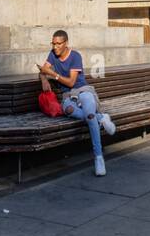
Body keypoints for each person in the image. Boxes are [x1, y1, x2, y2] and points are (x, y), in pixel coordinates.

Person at [38, 30, 116, 176]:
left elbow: (71, 82)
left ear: (65, 43)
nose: (55, 47)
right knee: (68, 110)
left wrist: (52, 74)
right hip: (68, 96)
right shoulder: (52, 54)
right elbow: (43, 70)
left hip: (83, 91)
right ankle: (102, 118)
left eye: (58, 44)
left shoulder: (75, 56)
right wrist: (43, 78)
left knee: (90, 116)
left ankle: (98, 157)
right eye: (53, 43)